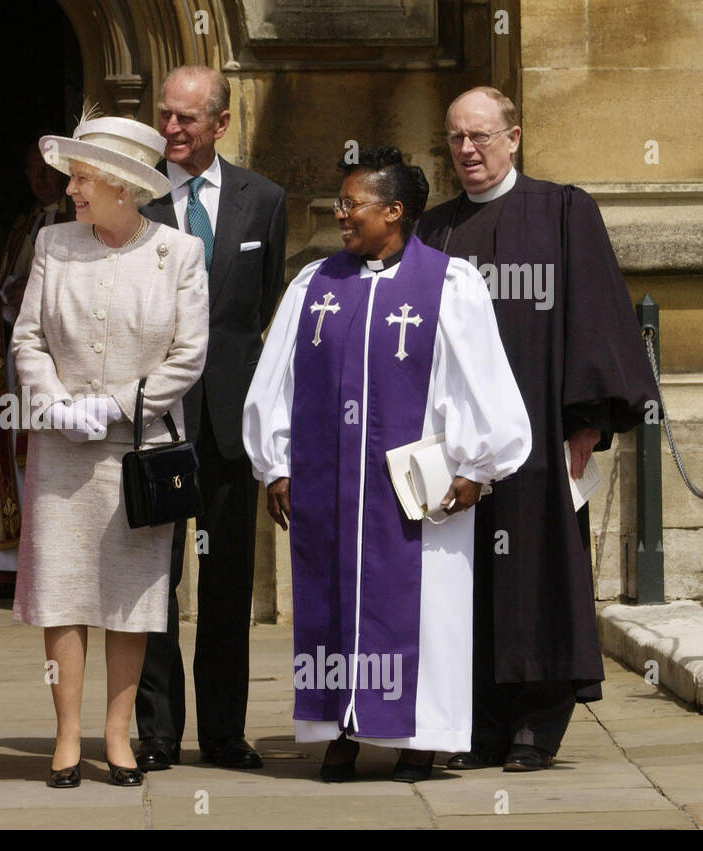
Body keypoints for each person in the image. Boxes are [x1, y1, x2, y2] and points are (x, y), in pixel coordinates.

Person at [243, 146, 532, 782]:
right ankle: (339, 728)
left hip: (419, 488)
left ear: (394, 211)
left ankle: (418, 738)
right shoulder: (314, 285)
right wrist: (277, 463)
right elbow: (278, 378)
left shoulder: (450, 285)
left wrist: (479, 466)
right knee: (331, 601)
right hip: (331, 485)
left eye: (353, 204)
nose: (341, 215)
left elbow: (480, 381)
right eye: (340, 203)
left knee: (427, 614)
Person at [416, 87, 660, 771]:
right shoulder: (434, 230)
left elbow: (595, 313)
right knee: (471, 586)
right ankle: (481, 724)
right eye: (456, 138)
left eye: (481, 136)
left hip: (541, 437)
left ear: (514, 136)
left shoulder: (562, 211)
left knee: (538, 576)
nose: (467, 150)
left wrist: (587, 422)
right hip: (460, 448)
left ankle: (534, 728)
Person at [11, 113, 208, 787]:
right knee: (62, 593)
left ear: (123, 186)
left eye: (85, 179)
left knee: (130, 598)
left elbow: (188, 356)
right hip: (62, 451)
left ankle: (118, 737)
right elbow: (27, 340)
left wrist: (121, 404)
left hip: (137, 454)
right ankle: (67, 739)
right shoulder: (53, 244)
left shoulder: (178, 255)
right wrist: (58, 405)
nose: (72, 190)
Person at [134, 65, 287, 772]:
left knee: (226, 590)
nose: (170, 129)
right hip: (155, 427)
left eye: (186, 118)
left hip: (230, 431)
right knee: (151, 586)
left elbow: (266, 321)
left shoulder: (266, 202)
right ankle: (156, 732)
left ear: (220, 123)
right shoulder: (133, 195)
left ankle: (225, 733)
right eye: (165, 114)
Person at [0, 141, 74, 578]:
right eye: (32, 171)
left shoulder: (79, 222)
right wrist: (13, 291)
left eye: (48, 170)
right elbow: (6, 284)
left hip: (62, 363)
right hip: (20, 360)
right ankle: (15, 559)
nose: (40, 179)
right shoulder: (25, 224)